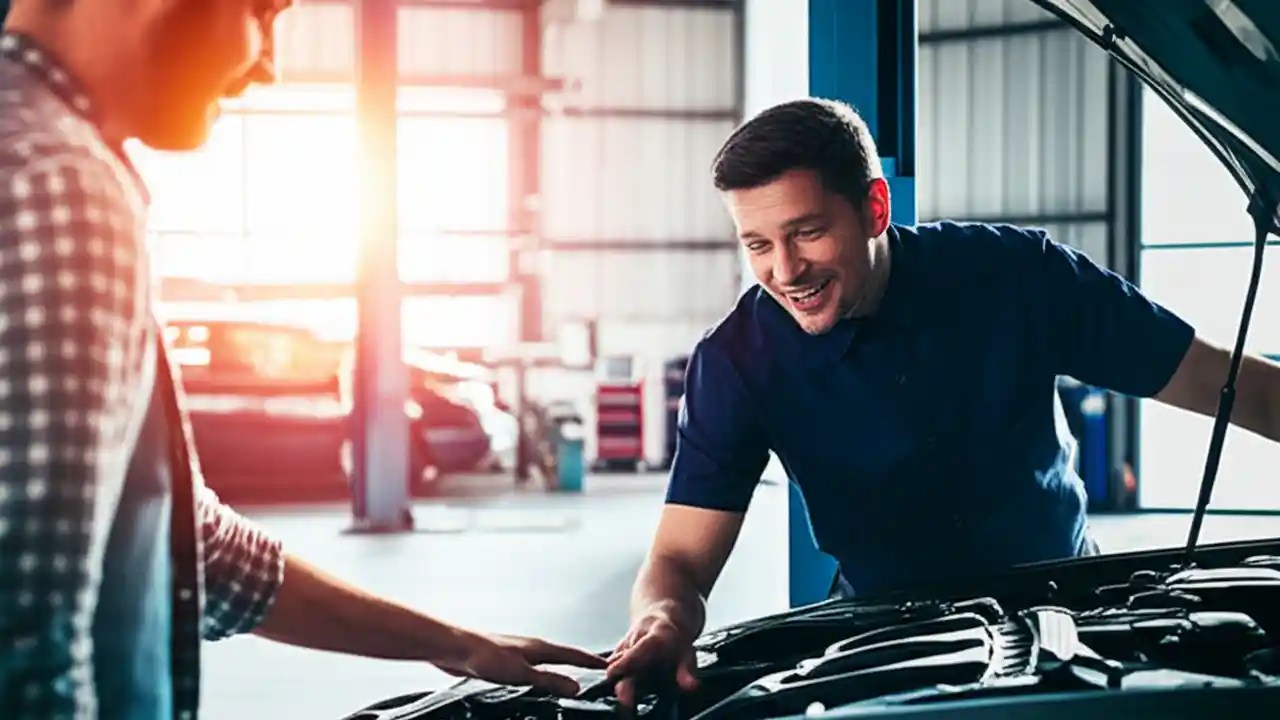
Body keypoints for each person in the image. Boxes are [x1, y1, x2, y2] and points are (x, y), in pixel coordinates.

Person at [0, 1, 603, 718]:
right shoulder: (56, 178)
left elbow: (196, 551)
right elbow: (25, 642)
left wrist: (453, 640)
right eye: (262, 11)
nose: (266, 64)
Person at [605, 97, 1280, 707]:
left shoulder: (1018, 277)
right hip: (882, 636)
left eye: (806, 232)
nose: (784, 271)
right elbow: (680, 563)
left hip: (1066, 613)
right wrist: (660, 618)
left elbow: (1223, 382)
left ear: (874, 208)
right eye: (758, 244)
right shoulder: (736, 359)